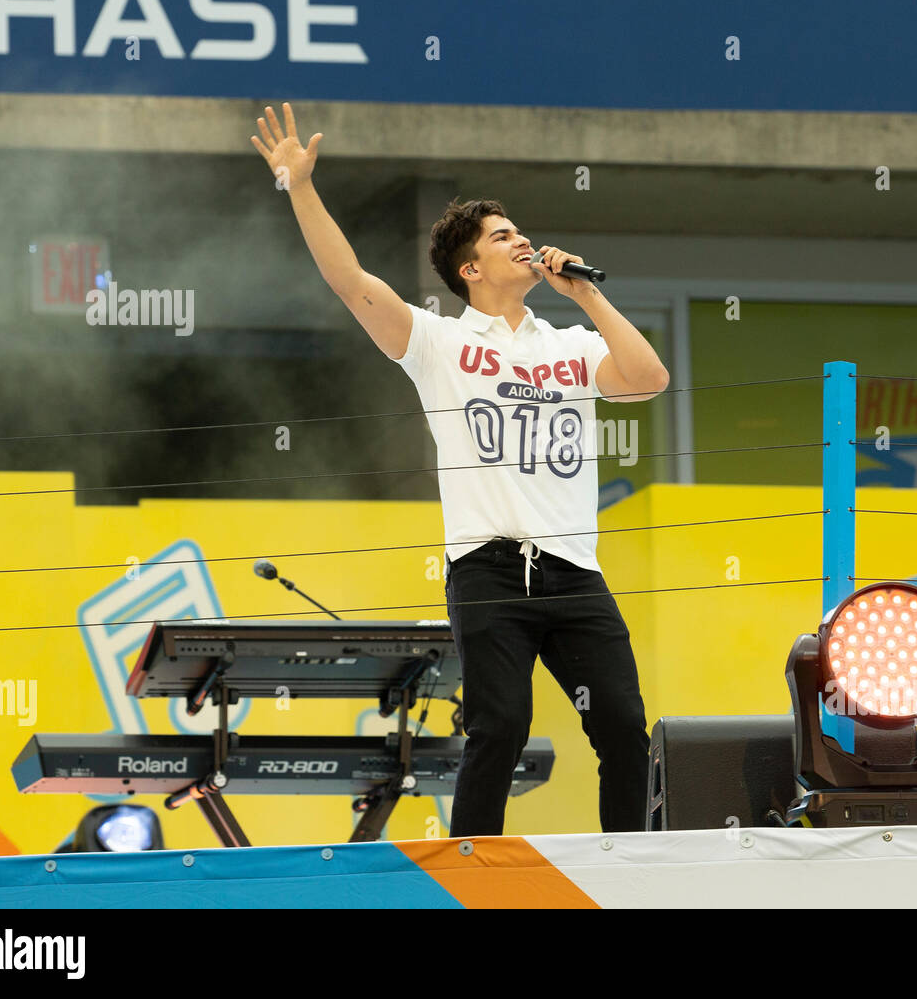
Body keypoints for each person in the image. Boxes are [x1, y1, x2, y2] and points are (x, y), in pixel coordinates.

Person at [251, 104, 669, 836]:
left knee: (625, 728)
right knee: (499, 728)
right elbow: (352, 283)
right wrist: (299, 187)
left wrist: (587, 293)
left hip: (574, 567)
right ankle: (475, 876)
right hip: (489, 571)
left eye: (522, 232)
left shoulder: (568, 344)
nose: (524, 241)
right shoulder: (439, 344)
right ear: (470, 269)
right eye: (503, 237)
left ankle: (625, 872)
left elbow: (650, 377)